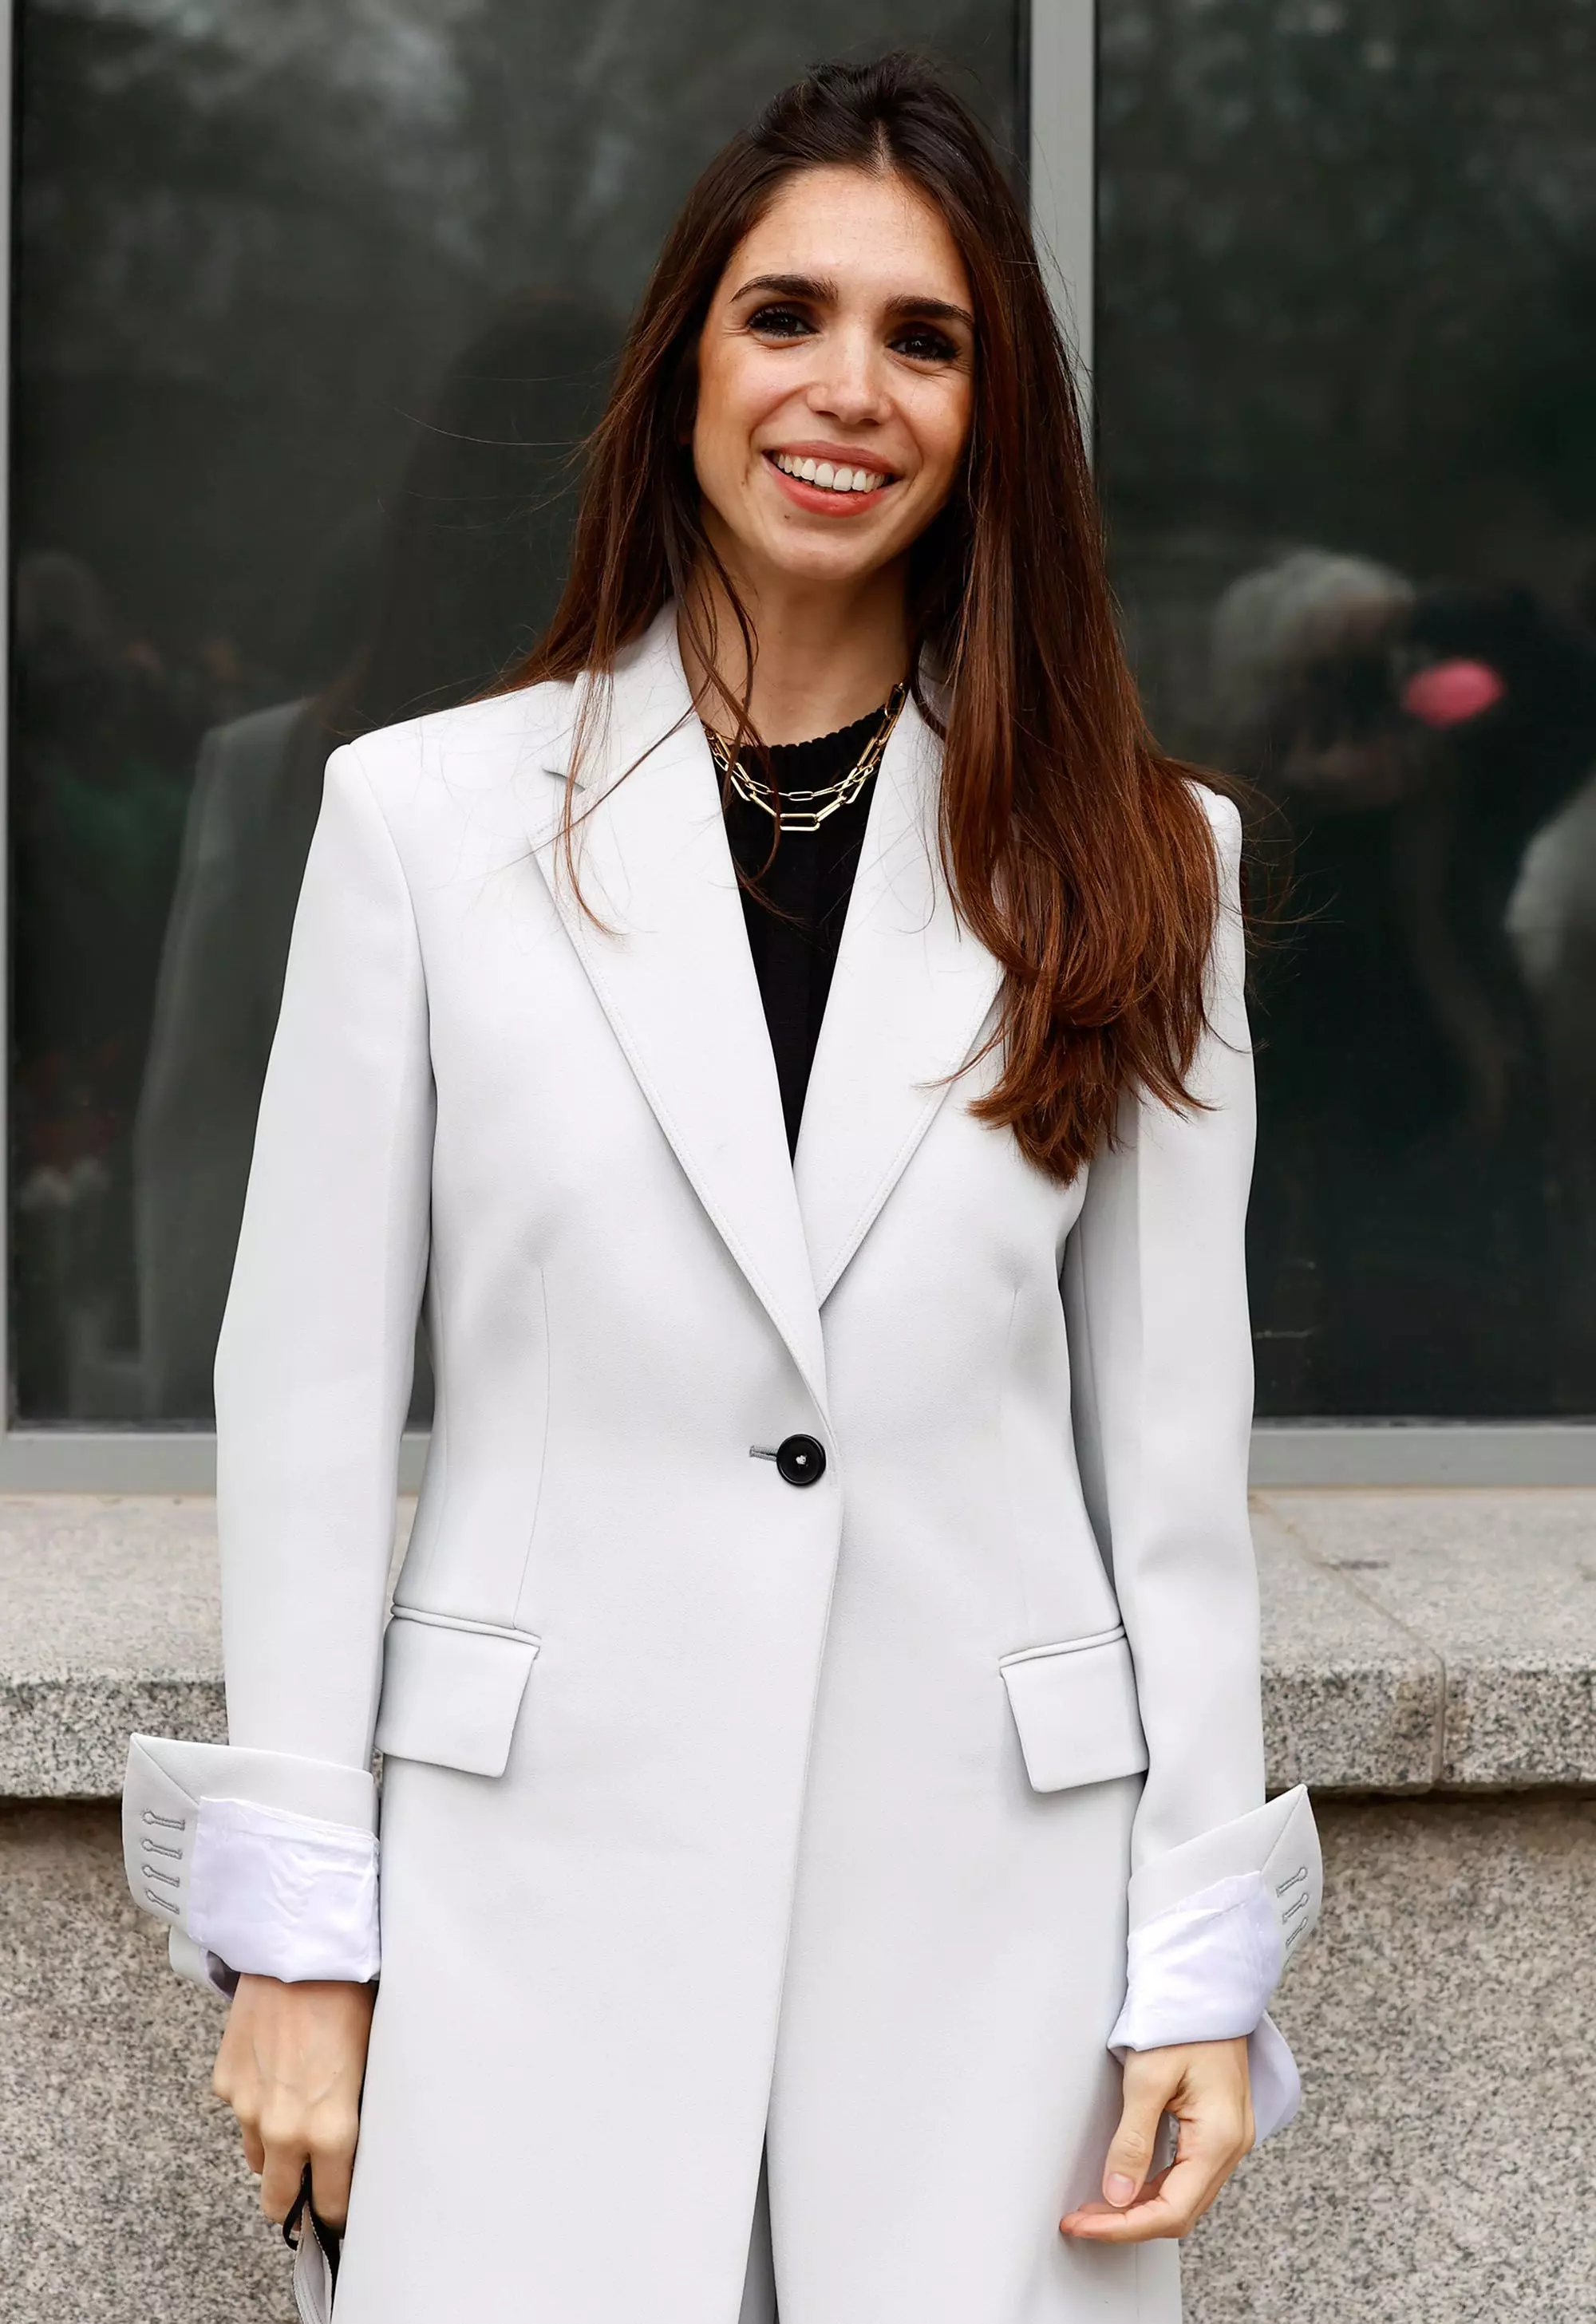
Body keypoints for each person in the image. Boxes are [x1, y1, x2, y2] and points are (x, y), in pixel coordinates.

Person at [121, 54, 1320, 2324]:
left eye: (925, 336)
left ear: (991, 420)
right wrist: (300, 1938)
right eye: (788, 316)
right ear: (686, 359)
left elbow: (1172, 1465)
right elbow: (298, 1407)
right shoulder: (424, 827)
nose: (845, 387)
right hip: (522, 1881)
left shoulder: (1146, 860)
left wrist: (1193, 1958)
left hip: (995, 1902)